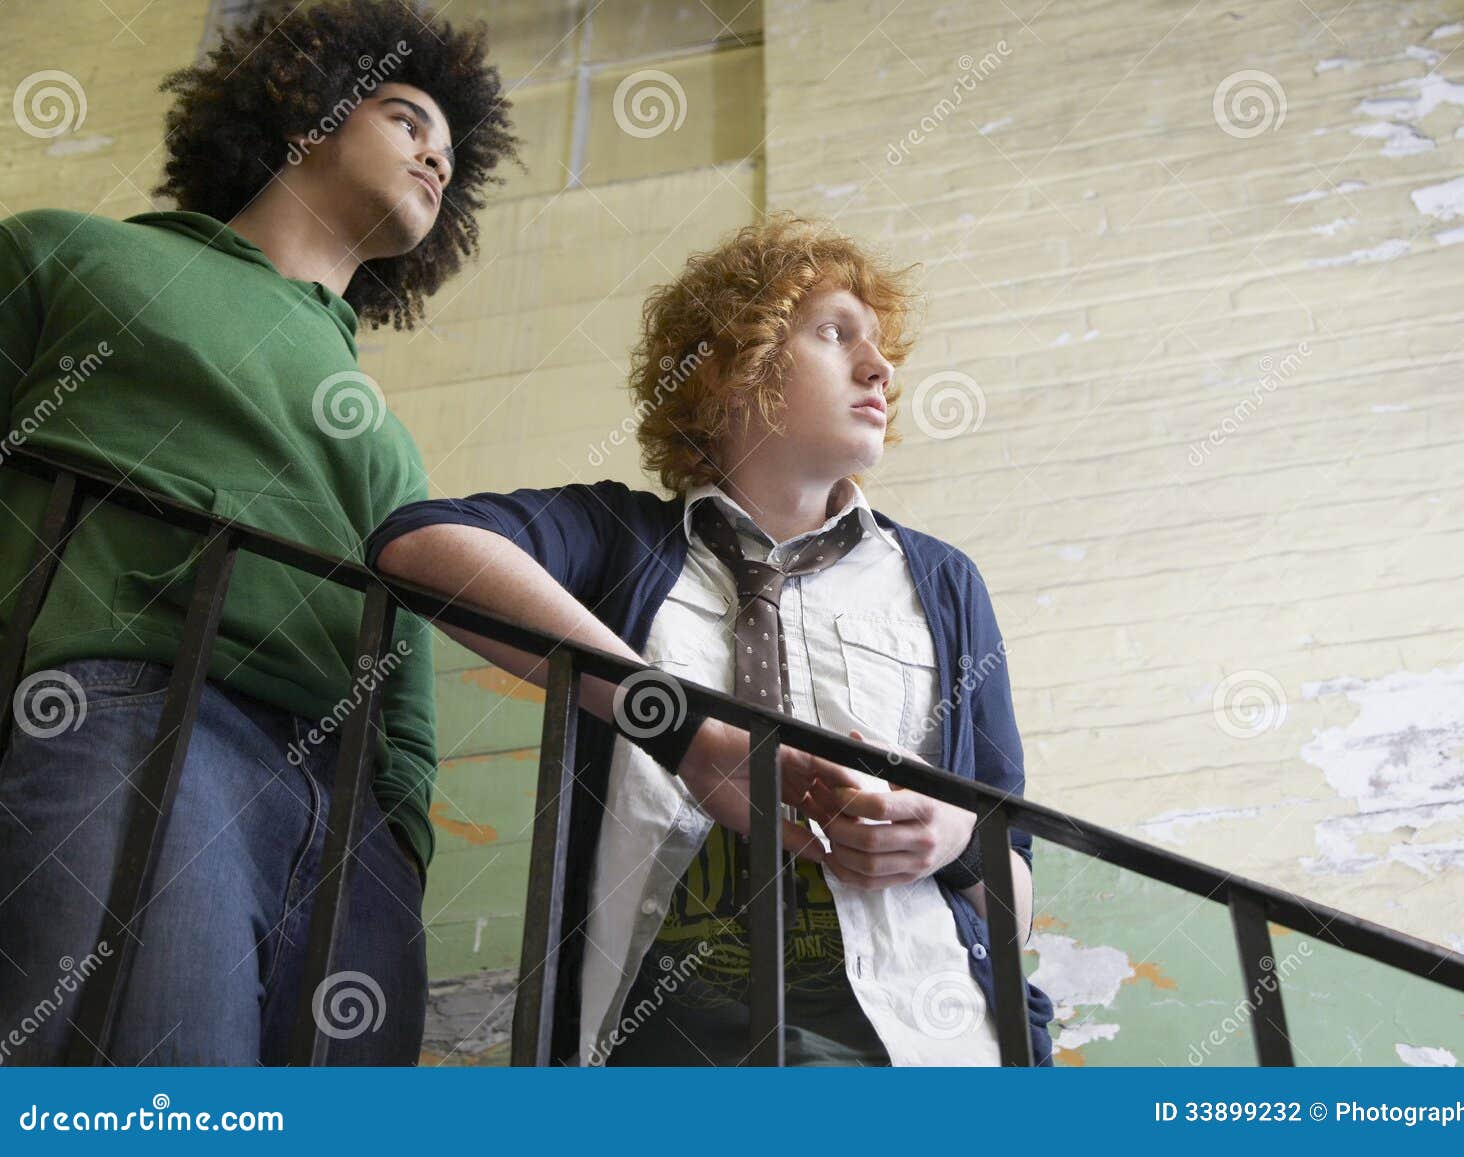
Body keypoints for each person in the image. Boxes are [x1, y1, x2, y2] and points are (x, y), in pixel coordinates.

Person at [369, 214, 1055, 1066]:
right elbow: (417, 545)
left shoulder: (944, 583)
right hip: (656, 1049)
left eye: (881, 346)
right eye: (835, 333)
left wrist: (953, 838)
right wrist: (681, 728)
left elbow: (1018, 906)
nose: (880, 367)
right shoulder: (620, 538)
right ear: (732, 366)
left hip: (922, 1048)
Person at [0, 0, 516, 1064]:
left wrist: (397, 841)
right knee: (148, 1108)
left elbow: (408, 676)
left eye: (451, 152)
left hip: (352, 821)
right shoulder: (69, 256)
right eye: (406, 117)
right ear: (307, 115)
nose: (436, 156)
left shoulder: (386, 438)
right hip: (131, 714)